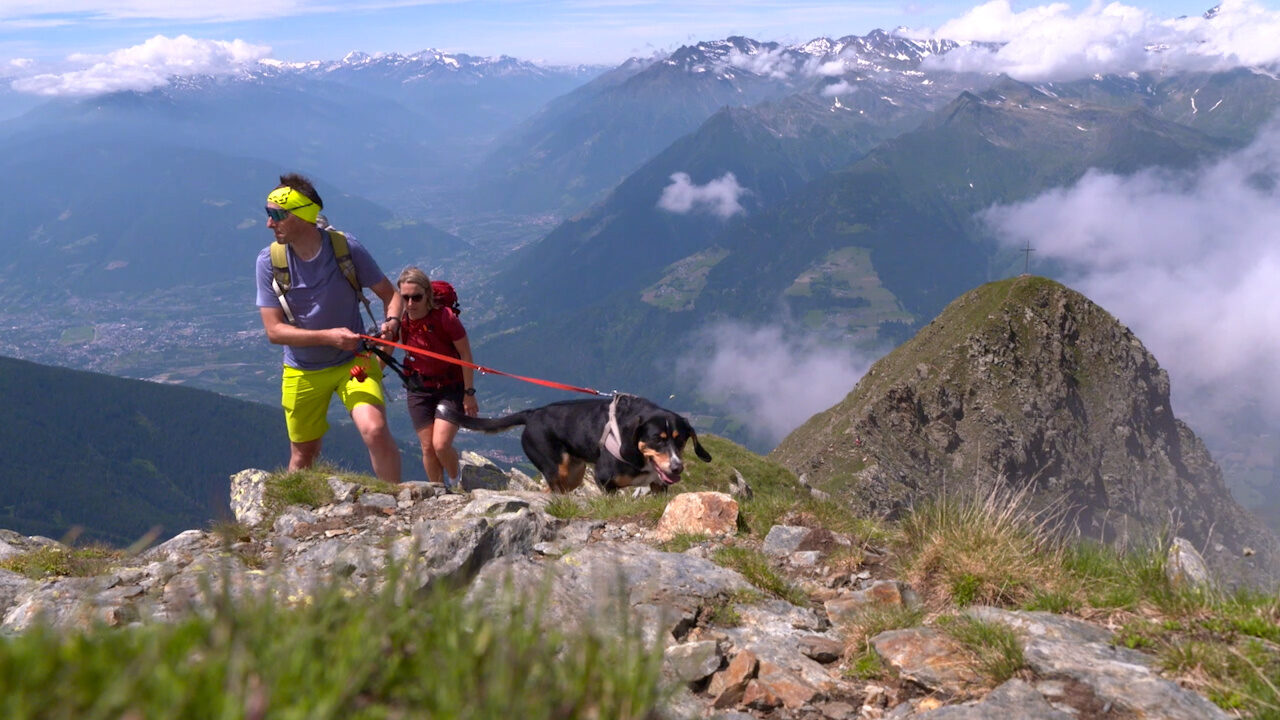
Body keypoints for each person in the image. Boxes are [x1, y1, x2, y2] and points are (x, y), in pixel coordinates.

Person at [254, 173, 403, 483]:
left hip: (354, 362)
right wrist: (330, 338)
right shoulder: (270, 261)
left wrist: (391, 324)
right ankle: (296, 513)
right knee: (303, 453)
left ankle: (399, 503)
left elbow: (392, 297)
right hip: (303, 368)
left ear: (302, 214)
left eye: (277, 215)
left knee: (374, 430)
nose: (269, 223)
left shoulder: (345, 248)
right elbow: (274, 332)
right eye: (268, 215)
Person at [395, 267, 478, 490]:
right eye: (405, 297)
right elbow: (386, 348)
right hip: (419, 388)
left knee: (440, 445)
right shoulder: (400, 321)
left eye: (416, 297)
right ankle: (439, 494)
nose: (410, 303)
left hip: (450, 387)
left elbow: (465, 355)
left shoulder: (445, 318)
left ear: (428, 295)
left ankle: (456, 482)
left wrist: (469, 394)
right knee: (427, 448)